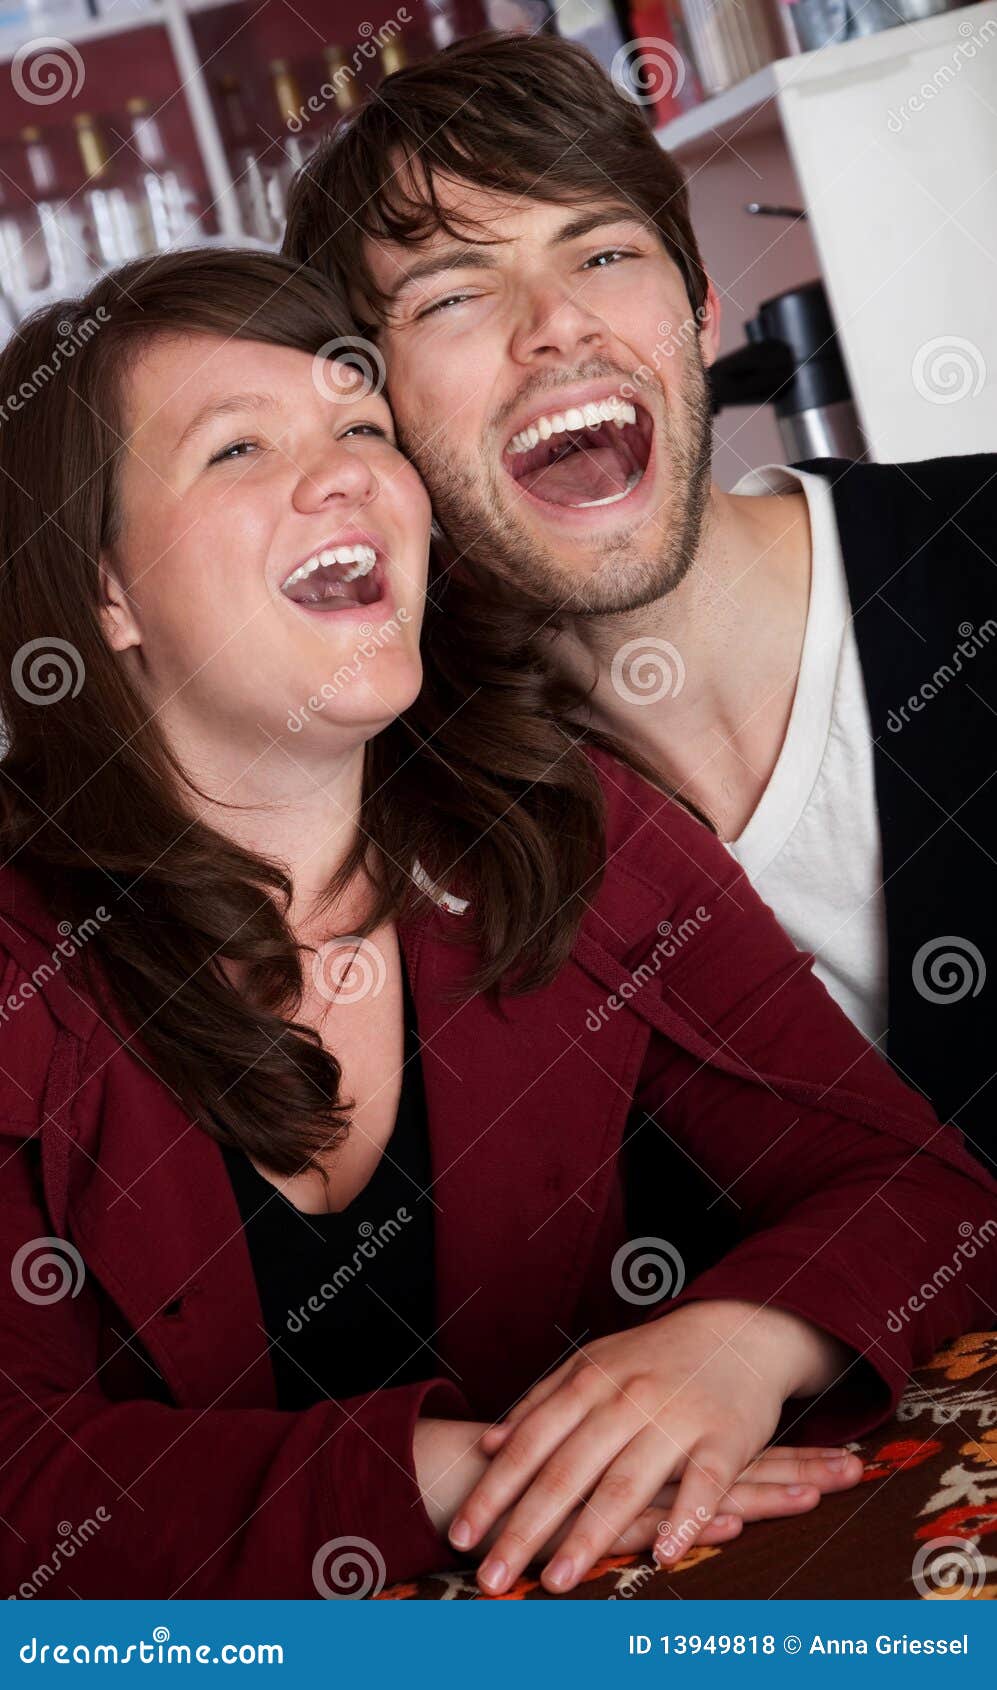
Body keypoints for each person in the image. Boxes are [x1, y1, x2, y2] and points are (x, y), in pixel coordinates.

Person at [0, 249, 992, 1604]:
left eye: (364, 427)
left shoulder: (564, 828)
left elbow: (918, 1187)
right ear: (101, 587)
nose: (347, 476)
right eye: (239, 447)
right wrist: (477, 1473)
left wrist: (740, 1343)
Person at [282, 28, 997, 1175]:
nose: (555, 323)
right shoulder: (422, 836)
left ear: (702, 311)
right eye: (454, 295)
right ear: (371, 414)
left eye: (604, 254)